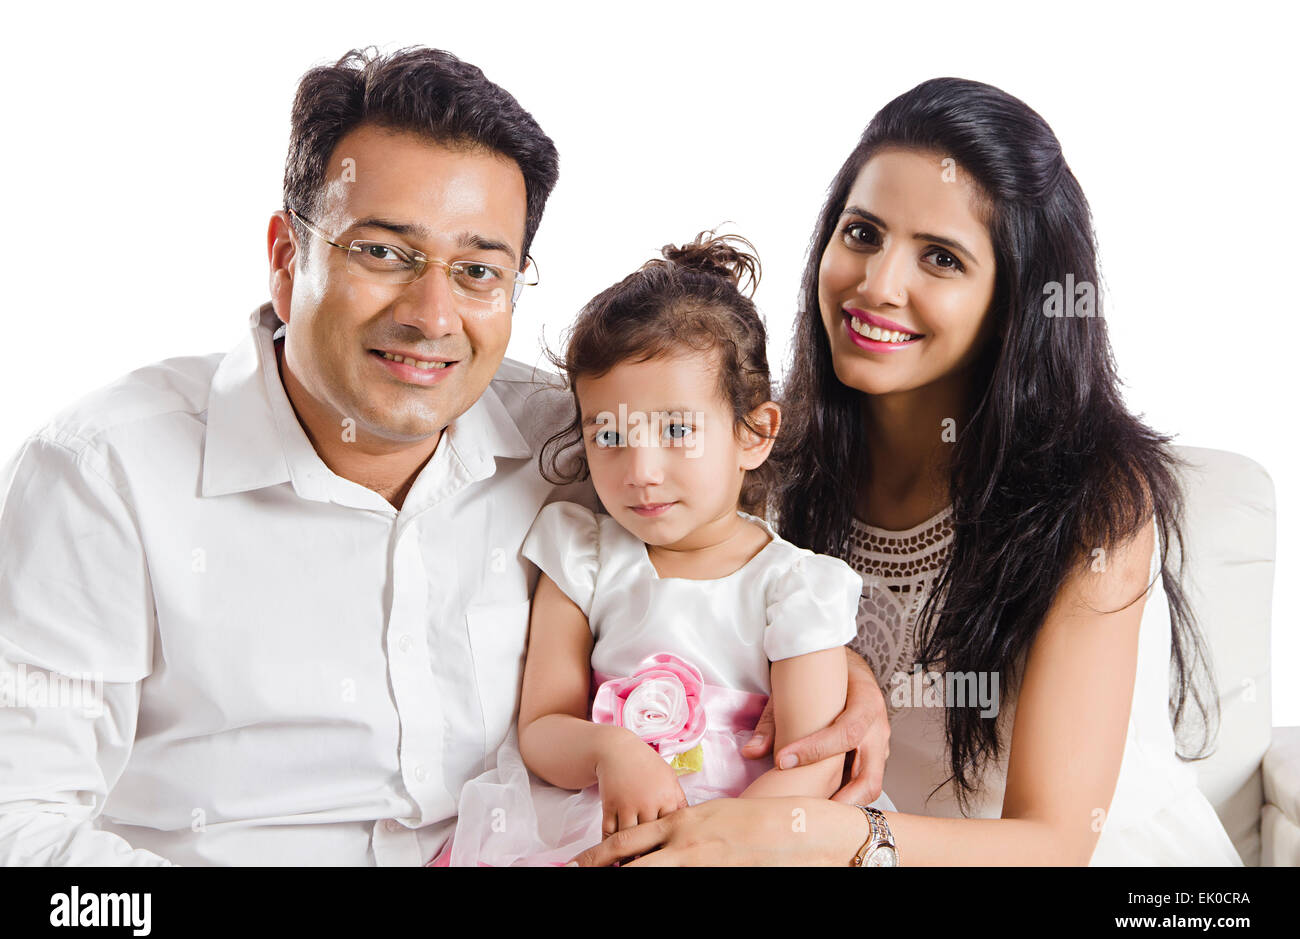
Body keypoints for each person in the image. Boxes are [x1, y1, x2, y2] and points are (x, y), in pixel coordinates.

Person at [0, 48, 886, 866]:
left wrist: (839, 673)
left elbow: (717, 554)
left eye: (477, 272)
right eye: (384, 252)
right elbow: (21, 826)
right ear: (285, 256)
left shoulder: (572, 440)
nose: (432, 316)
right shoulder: (105, 476)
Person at [573, 77, 1243, 866]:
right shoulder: (763, 451)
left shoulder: (1091, 499)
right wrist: (845, 672)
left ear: (1015, 302)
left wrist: (802, 833)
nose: (878, 285)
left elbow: (1056, 843)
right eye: (862, 234)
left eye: (941, 258)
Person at [438, 235, 891, 866]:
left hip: (748, 840)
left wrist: (708, 845)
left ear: (754, 433)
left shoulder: (797, 586)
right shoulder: (582, 555)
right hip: (601, 827)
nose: (641, 470)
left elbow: (809, 766)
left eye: (677, 430)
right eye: (611, 434)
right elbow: (541, 729)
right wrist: (610, 751)